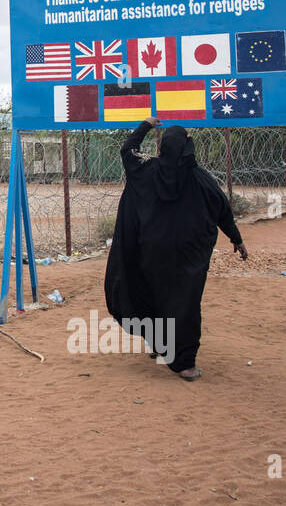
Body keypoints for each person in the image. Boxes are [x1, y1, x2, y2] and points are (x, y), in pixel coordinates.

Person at [103, 116, 247, 381]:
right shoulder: (202, 180)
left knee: (154, 295)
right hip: (188, 257)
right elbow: (222, 209)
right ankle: (184, 363)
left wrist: (146, 125)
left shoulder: (145, 170)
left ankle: (161, 347)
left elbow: (128, 149)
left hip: (151, 252)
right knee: (185, 304)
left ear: (162, 149)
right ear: (188, 147)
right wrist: (236, 239)